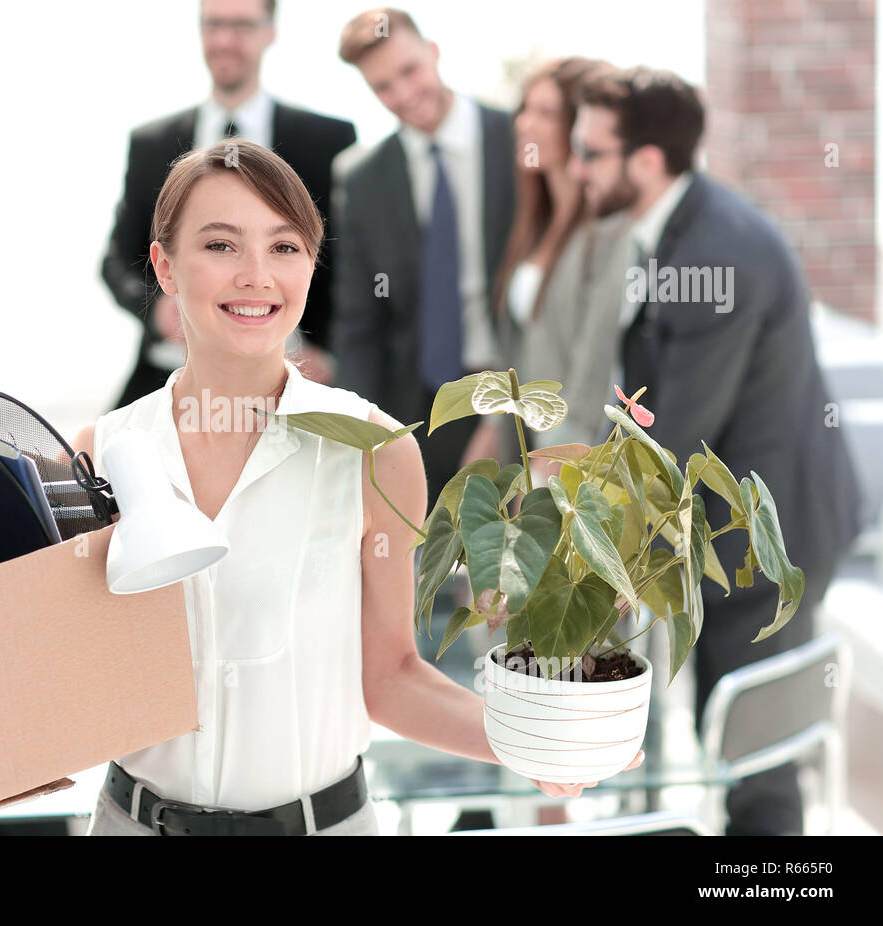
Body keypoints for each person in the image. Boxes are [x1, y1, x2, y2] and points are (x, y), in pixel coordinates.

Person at [0, 141, 642, 834]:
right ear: (163, 265)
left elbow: (390, 675)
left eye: (285, 247)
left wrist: (531, 741)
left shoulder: (373, 450)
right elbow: (49, 685)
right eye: (220, 245)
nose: (256, 276)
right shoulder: (100, 454)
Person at [570, 67, 863, 835]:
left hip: (766, 544)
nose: (573, 168)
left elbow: (674, 431)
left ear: (645, 162)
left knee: (753, 765)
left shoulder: (716, 254)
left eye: (590, 153)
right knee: (729, 741)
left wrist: (579, 533)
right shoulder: (683, 227)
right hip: (739, 531)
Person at [102, 0, 356, 407]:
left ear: (270, 31)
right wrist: (156, 310)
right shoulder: (150, 144)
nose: (224, 39)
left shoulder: (327, 140)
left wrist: (328, 349)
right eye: (213, 25)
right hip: (164, 372)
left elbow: (350, 262)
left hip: (294, 371)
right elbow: (116, 261)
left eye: (240, 25)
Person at [331, 7, 515, 506]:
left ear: (434, 53)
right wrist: (358, 437)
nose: (405, 95)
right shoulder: (363, 177)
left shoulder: (518, 140)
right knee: (421, 567)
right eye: (383, 87)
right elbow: (359, 321)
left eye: (410, 71)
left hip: (517, 392)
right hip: (417, 409)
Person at [494, 56, 635, 456]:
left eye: (545, 113)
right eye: (525, 108)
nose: (524, 124)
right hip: (527, 450)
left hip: (574, 465)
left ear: (579, 128)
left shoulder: (609, 231)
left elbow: (594, 373)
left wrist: (548, 474)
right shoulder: (535, 221)